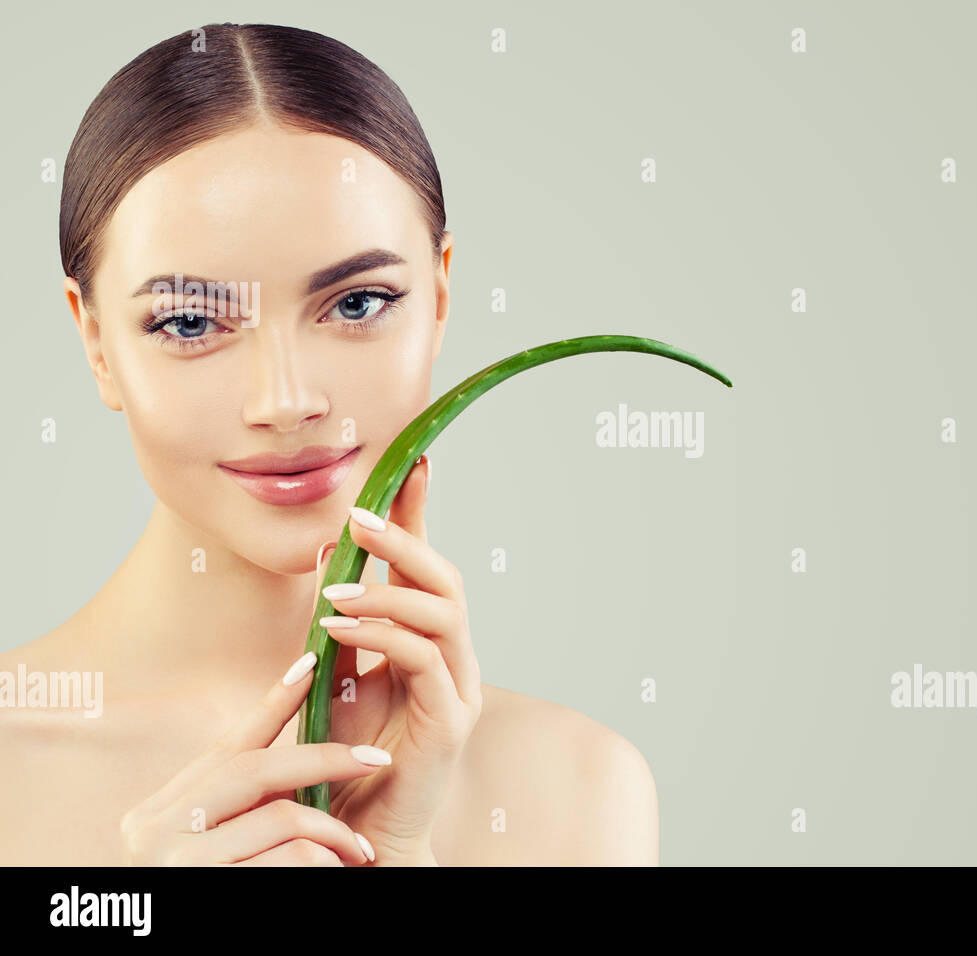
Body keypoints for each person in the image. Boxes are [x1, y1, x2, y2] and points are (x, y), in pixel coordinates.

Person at [0, 22, 658, 866]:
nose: (286, 402)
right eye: (191, 321)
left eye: (357, 304)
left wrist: (396, 848)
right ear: (95, 343)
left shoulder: (579, 790)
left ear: (442, 294)